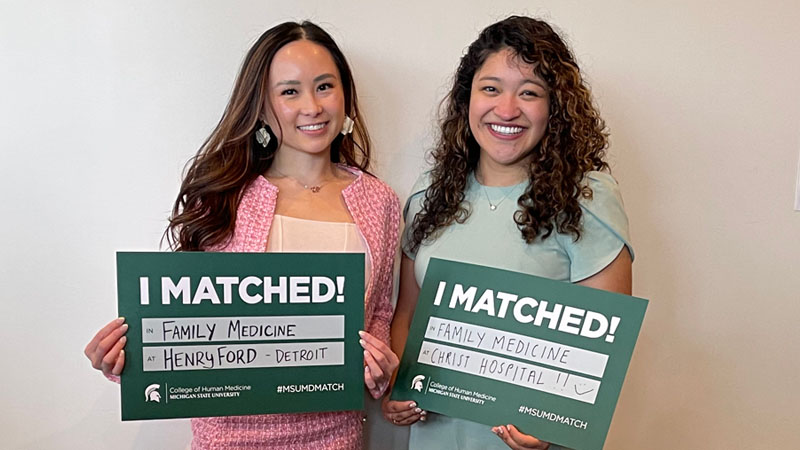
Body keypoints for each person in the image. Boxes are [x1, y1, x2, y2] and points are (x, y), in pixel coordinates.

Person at [84, 21, 400, 450]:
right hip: (228, 437)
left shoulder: (380, 201)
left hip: (336, 435)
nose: (312, 106)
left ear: (345, 94)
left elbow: (377, 310)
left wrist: (379, 368)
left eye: (324, 86)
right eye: (290, 91)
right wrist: (127, 357)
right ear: (262, 106)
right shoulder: (221, 195)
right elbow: (182, 322)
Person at [383, 16, 633, 450]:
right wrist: (399, 390)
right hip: (435, 436)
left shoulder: (588, 199)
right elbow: (407, 315)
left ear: (555, 107)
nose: (506, 109)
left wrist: (552, 428)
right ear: (468, 98)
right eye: (491, 88)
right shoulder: (429, 195)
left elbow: (600, 350)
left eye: (529, 92)